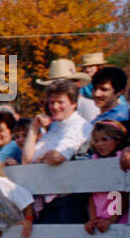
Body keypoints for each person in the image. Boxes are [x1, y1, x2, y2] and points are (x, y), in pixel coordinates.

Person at [22, 79, 93, 224]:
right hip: (49, 196)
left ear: (73, 103)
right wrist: (34, 128)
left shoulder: (79, 125)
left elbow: (57, 156)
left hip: (69, 197)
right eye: (51, 102)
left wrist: (40, 159)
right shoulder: (54, 127)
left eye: (60, 102)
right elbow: (27, 159)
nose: (55, 107)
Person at [81, 121, 130, 233]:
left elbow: (122, 194)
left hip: (118, 218)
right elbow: (91, 194)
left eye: (105, 139)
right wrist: (92, 219)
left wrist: (112, 219)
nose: (100, 144)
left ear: (117, 140)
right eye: (96, 141)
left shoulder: (120, 159)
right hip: (98, 218)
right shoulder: (94, 160)